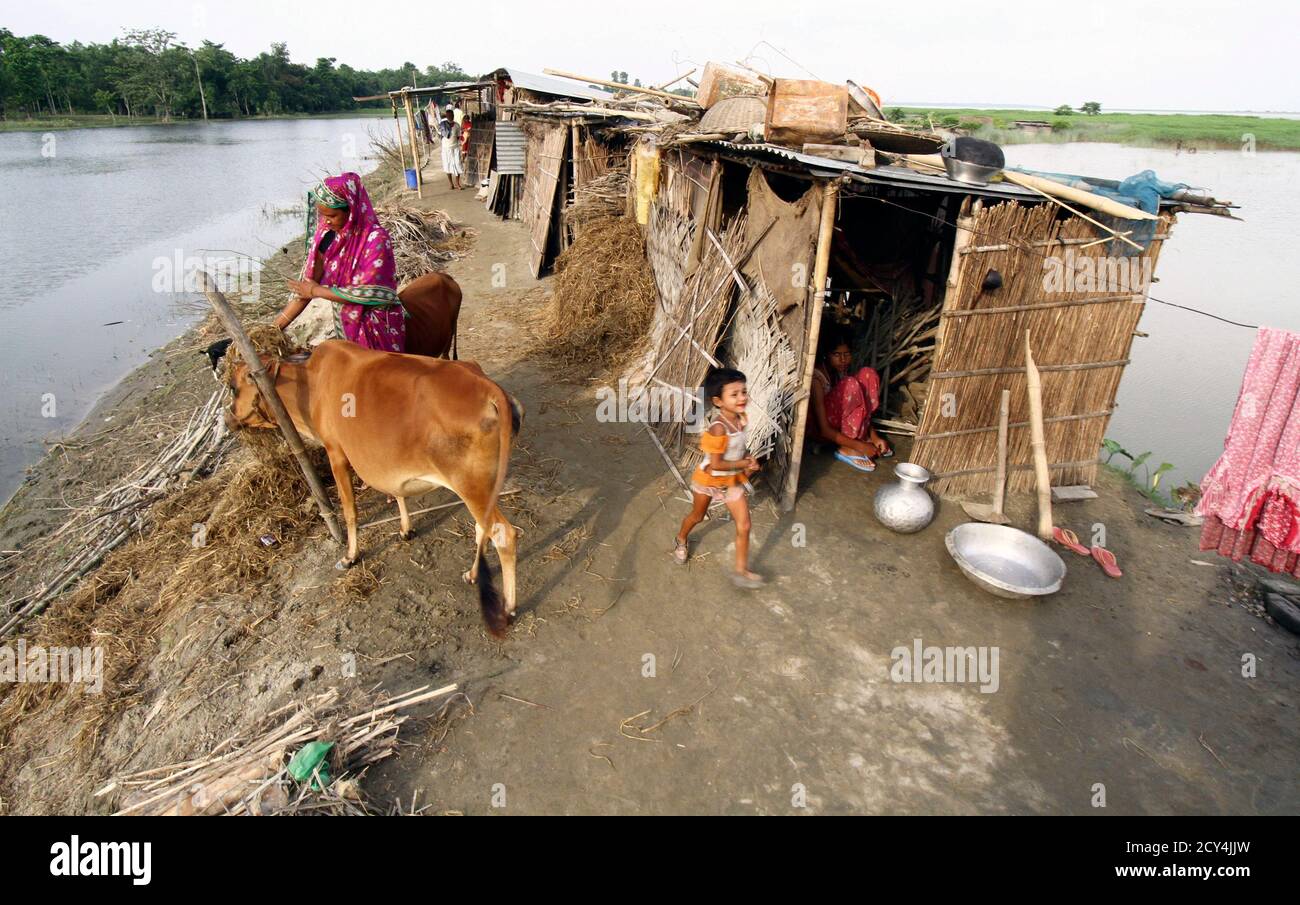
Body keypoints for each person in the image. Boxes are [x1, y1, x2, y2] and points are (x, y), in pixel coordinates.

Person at [275, 172, 406, 352]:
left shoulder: (376, 239)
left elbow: (371, 293)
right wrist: (273, 330)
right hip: (343, 322)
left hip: (377, 323)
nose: (326, 221)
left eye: (333, 215)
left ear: (351, 210)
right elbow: (306, 289)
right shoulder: (325, 236)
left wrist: (316, 291)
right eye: (322, 215)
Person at [674, 367, 765, 589]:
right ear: (718, 401)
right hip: (708, 481)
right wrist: (744, 464)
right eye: (734, 394)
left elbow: (739, 448)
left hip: (731, 482)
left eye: (743, 391)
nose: (742, 397)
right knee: (697, 516)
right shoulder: (718, 428)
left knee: (744, 525)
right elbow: (716, 465)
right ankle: (681, 538)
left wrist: (748, 457)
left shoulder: (742, 419)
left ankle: (741, 571)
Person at [808, 326, 891, 473]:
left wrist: (875, 437)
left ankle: (862, 437)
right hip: (822, 432)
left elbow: (860, 407)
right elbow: (824, 429)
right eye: (837, 354)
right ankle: (846, 449)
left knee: (868, 374)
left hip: (841, 427)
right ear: (826, 355)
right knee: (851, 384)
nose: (843, 360)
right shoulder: (817, 378)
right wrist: (859, 447)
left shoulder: (840, 372)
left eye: (846, 354)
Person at [438, 106, 463, 190]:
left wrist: (461, 145)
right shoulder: (443, 125)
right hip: (446, 149)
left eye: (451, 115)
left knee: (458, 164)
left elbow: (459, 137)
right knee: (447, 166)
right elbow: (440, 135)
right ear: (446, 116)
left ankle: (457, 183)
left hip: (455, 148)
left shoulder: (457, 125)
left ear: (453, 115)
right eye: (448, 115)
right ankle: (451, 184)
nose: (450, 116)